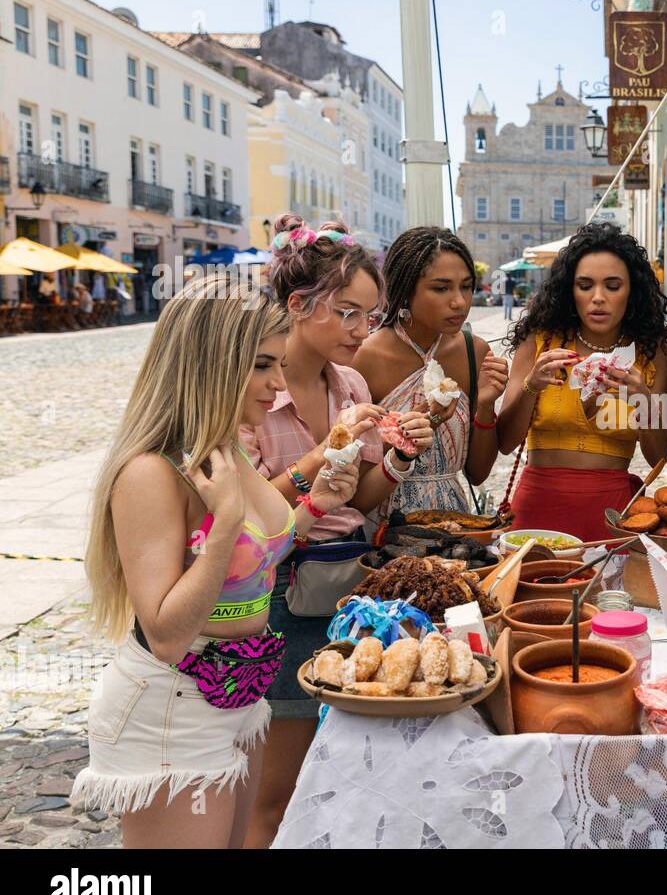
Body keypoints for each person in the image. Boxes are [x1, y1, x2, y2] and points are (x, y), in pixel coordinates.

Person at [75, 272, 362, 848]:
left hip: (239, 693)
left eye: (278, 364)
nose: (277, 384)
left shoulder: (224, 450)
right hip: (174, 705)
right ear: (210, 364)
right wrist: (225, 523)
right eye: (261, 365)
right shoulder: (152, 473)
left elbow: (257, 561)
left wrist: (312, 508)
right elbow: (165, 631)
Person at [240, 214, 436, 847]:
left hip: (347, 587)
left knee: (337, 774)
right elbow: (243, 522)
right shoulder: (250, 388)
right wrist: (319, 456)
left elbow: (357, 501)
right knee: (275, 793)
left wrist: (398, 459)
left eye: (370, 315)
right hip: (278, 594)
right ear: (299, 305)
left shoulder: (347, 381)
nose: (363, 330)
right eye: (348, 313)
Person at [497, 222, 667, 541]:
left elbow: (659, 456)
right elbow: (506, 442)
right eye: (585, 285)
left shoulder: (651, 352)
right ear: (570, 290)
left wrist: (645, 402)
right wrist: (530, 387)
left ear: (632, 291)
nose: (598, 298)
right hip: (537, 505)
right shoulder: (540, 341)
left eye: (613, 285)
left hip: (613, 513)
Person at [354, 227, 509, 516]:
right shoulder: (364, 357)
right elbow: (355, 482)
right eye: (441, 288)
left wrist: (486, 405)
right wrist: (429, 420)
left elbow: (477, 473)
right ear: (405, 290)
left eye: (466, 286)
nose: (460, 302)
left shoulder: (474, 351)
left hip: (455, 522)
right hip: (385, 525)